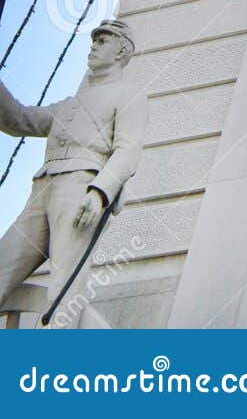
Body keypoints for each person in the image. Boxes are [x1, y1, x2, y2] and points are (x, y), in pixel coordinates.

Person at [0, 17, 147, 328]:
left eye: (103, 40)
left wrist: (99, 193)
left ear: (121, 51)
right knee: (4, 262)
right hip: (41, 189)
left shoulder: (128, 93)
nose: (93, 45)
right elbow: (18, 120)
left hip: (80, 187)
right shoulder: (68, 105)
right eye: (94, 40)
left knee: (65, 281)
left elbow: (128, 149)